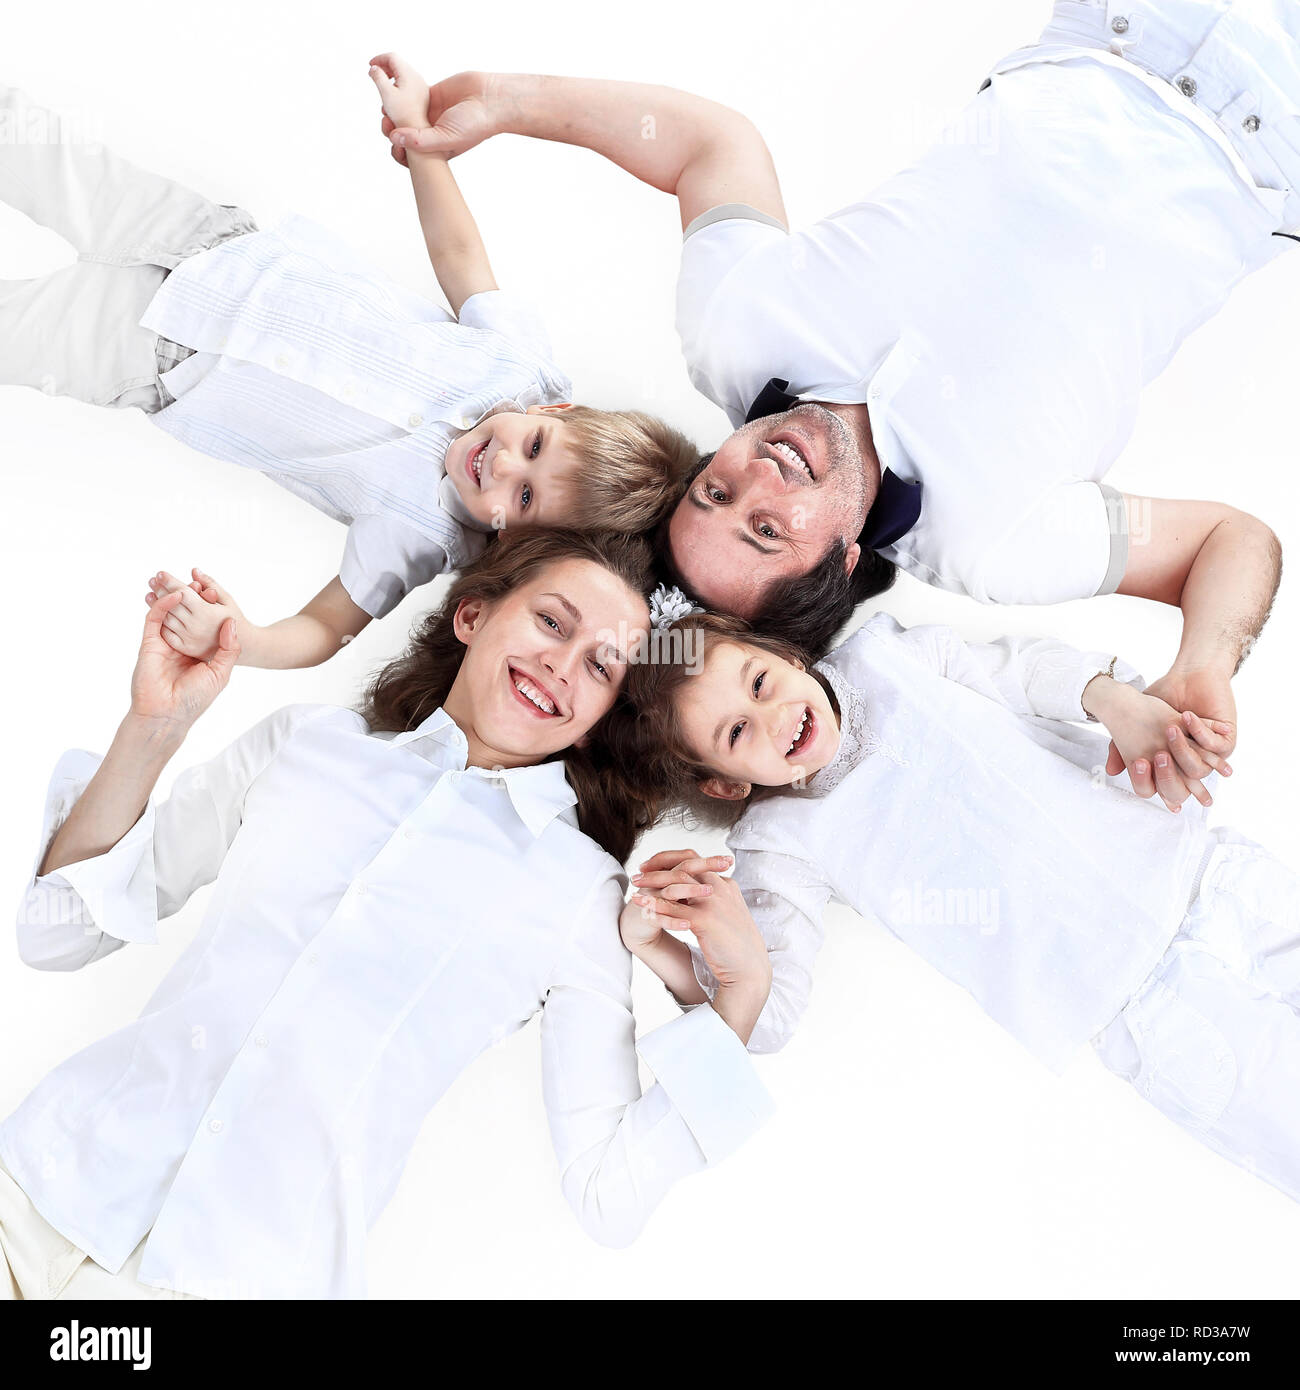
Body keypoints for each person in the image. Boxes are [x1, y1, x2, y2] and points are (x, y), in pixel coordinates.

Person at [380, 0, 1295, 798]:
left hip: (1117, 31)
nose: (759, 476)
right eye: (770, 529)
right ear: (845, 558)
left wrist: (512, 104)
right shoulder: (995, 542)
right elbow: (1231, 541)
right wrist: (1205, 665)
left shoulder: (737, 335)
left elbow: (710, 145)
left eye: (716, 492)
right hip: (1273, 138)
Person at [0, 531, 774, 1301]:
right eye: (551, 621)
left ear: (602, 715)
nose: (561, 664)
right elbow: (57, 932)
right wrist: (154, 725)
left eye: (602, 664)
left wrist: (738, 1001)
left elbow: (609, 1195)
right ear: (472, 614)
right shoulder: (305, 745)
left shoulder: (578, 893)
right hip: (43, 1181)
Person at [604, 601, 1300, 1209]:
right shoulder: (783, 845)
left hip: (1213, 879)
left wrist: (1115, 702)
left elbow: (1025, 673)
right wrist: (663, 947)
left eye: (761, 683)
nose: (774, 717)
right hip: (1146, 1010)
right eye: (736, 735)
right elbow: (767, 1013)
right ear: (726, 785)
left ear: (786, 654)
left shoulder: (888, 656)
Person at [0, 66, 698, 670]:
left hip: (146, 358)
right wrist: (422, 141)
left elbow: (328, 627)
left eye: (522, 499)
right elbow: (460, 257)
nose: (504, 464)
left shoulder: (425, 536)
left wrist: (243, 638)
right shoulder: (518, 367)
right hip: (210, 246)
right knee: (34, 147)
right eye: (536, 447)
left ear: (516, 539)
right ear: (554, 413)